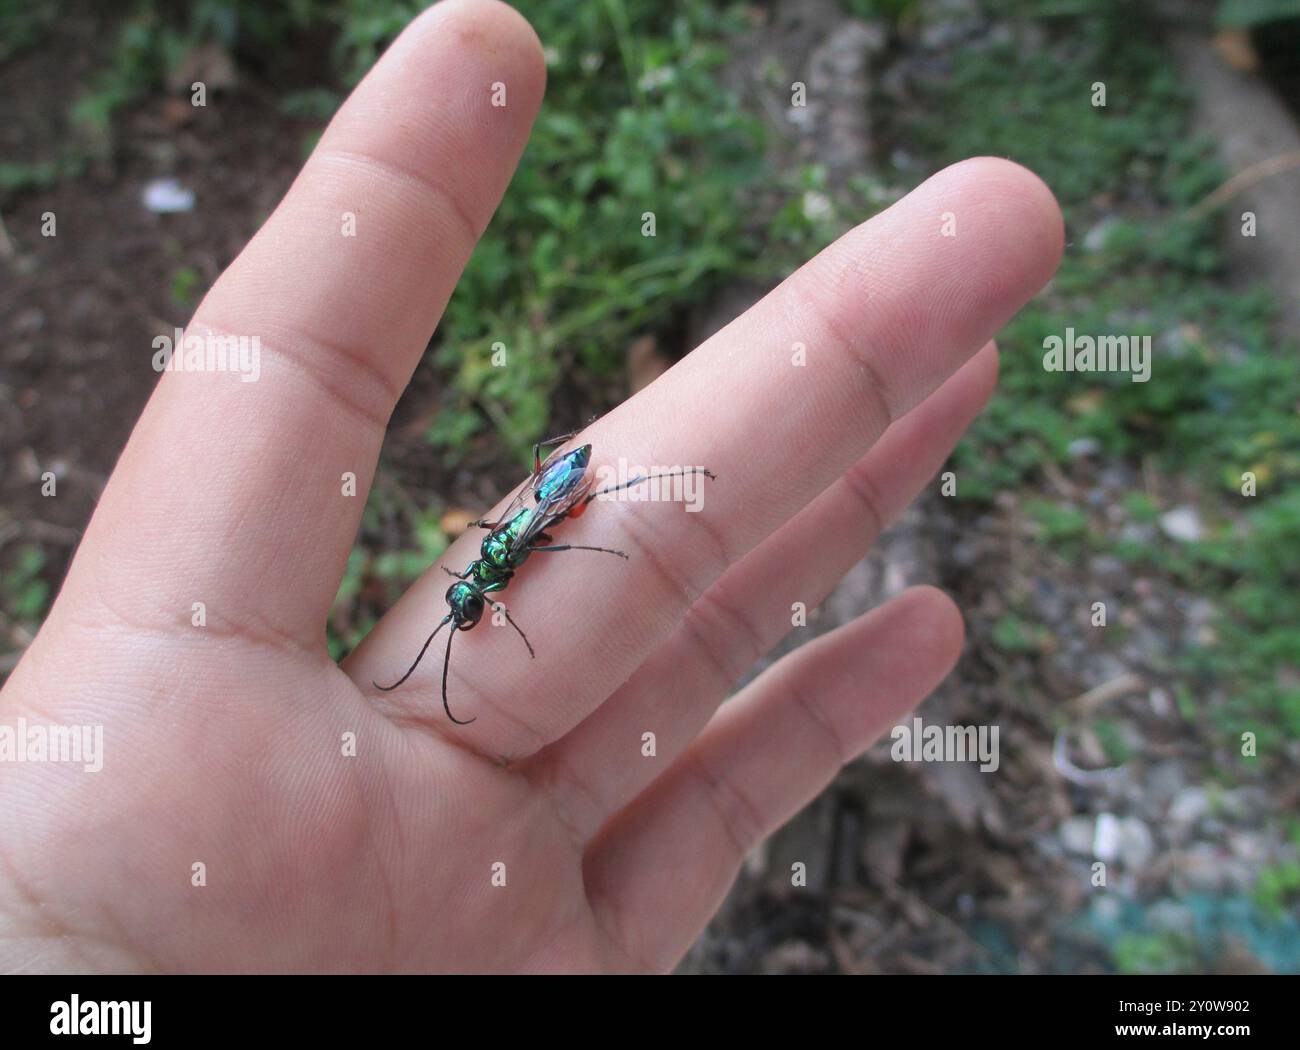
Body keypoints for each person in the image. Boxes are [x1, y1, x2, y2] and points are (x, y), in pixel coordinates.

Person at [0, 0, 1062, 972]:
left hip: (555, 503)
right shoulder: (481, 575)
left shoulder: (493, 568)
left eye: (463, 606)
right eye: (466, 607)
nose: (463, 611)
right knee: (549, 530)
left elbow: (507, 554)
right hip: (540, 513)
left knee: (557, 525)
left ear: (470, 589)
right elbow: (493, 564)